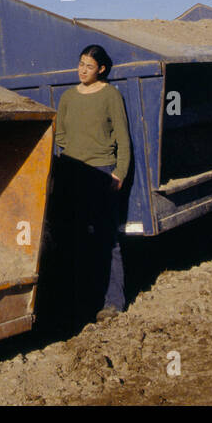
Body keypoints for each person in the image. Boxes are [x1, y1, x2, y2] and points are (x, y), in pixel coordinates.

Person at [53, 43, 132, 323]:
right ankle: (83, 305)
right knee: (76, 240)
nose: (83, 70)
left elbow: (122, 137)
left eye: (89, 66)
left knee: (106, 239)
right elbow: (60, 136)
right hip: (73, 173)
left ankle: (113, 303)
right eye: (80, 64)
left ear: (101, 69)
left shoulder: (110, 95)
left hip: (101, 173)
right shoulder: (67, 98)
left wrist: (119, 172)